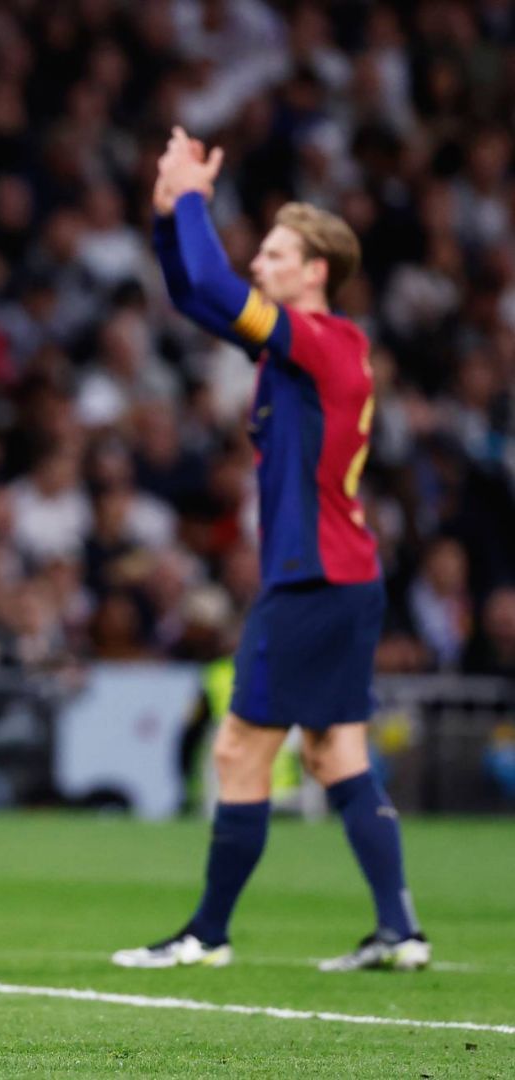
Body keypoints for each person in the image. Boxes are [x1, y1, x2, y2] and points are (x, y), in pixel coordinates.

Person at [111, 127, 428, 974]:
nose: (262, 263)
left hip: (310, 576)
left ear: (315, 269)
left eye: (278, 253)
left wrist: (191, 198)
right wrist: (161, 216)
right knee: (334, 751)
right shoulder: (315, 354)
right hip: (345, 575)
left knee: (238, 750)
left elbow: (214, 279)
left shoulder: (318, 342)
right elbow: (192, 294)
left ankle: (207, 934)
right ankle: (400, 930)